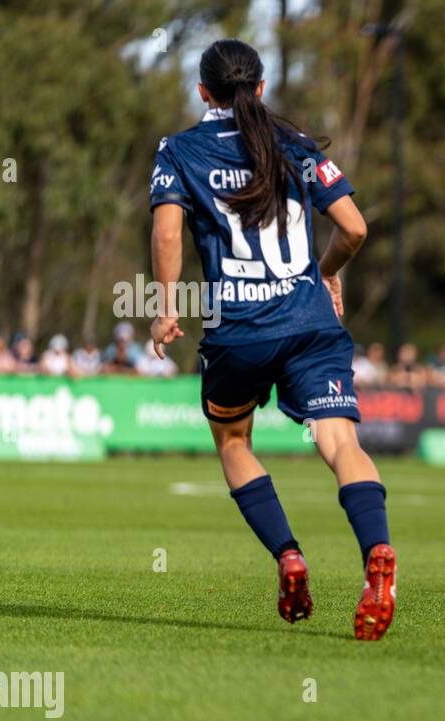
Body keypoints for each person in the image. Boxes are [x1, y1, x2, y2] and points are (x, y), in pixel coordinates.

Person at [148, 39, 395, 640]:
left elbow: (167, 233)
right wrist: (329, 271)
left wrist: (164, 307)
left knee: (234, 440)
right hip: (312, 322)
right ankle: (378, 555)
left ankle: (288, 554)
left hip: (239, 332)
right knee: (339, 443)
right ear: (259, 88)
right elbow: (355, 227)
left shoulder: (179, 150)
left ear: (202, 93)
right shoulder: (297, 145)